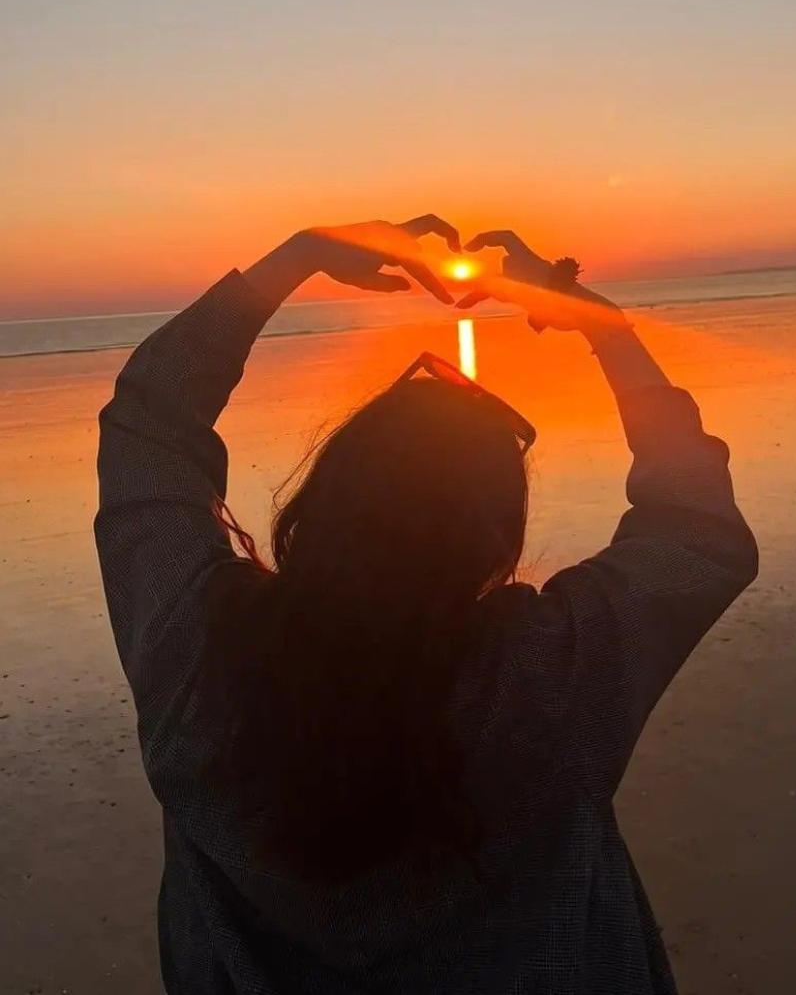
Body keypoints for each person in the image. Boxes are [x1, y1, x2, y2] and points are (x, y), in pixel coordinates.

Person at [95, 215, 759, 994]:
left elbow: (150, 424)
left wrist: (298, 257)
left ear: (320, 500)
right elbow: (696, 532)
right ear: (492, 542)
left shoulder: (193, 649)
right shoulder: (549, 675)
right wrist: (601, 327)